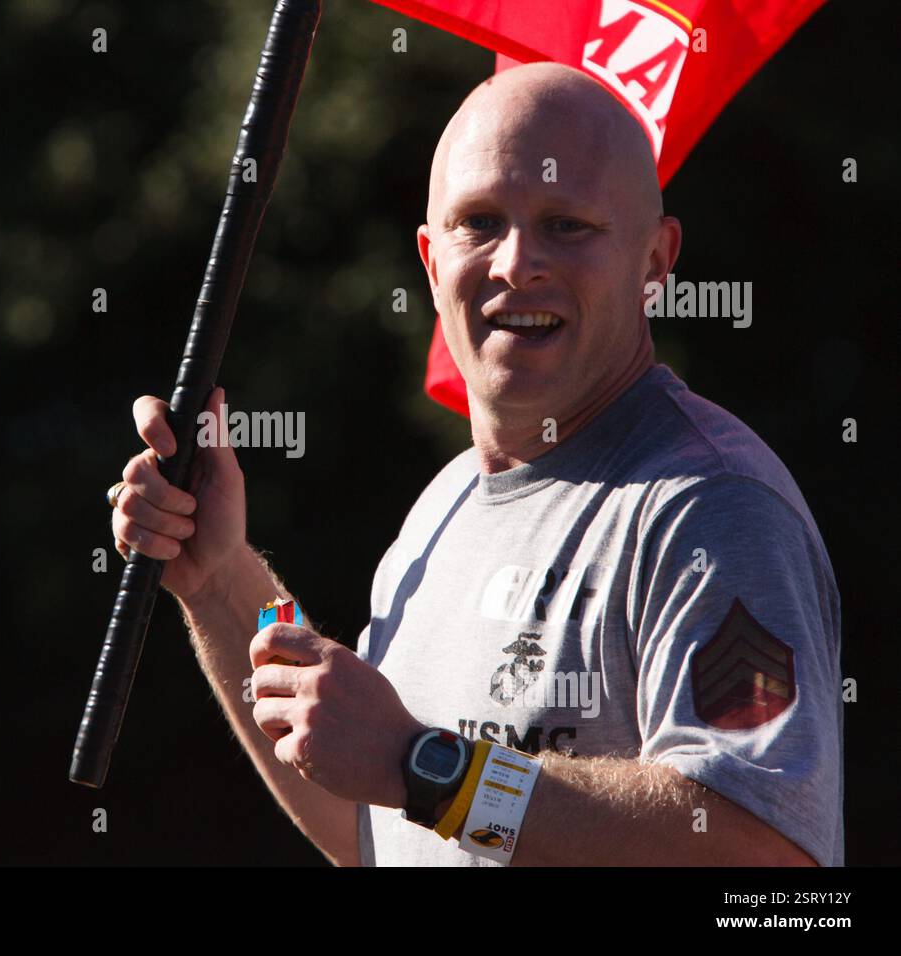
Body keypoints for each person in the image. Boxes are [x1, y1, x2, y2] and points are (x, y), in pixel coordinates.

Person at [107, 62, 843, 867]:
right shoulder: (446, 505)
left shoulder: (711, 507)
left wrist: (428, 770)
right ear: (430, 261)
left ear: (656, 263)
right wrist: (217, 577)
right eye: (479, 222)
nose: (516, 263)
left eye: (567, 224)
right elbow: (378, 833)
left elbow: (767, 869)